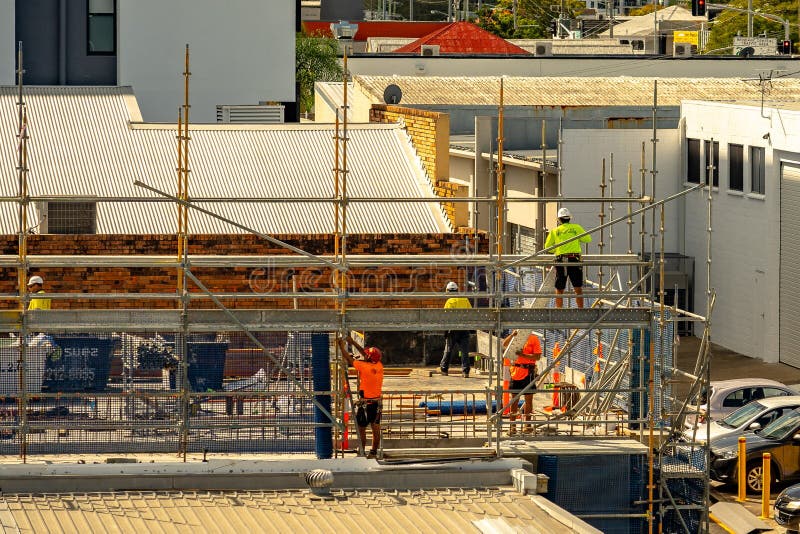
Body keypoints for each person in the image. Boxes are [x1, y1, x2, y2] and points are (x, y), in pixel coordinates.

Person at [337, 334, 384, 459]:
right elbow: (365, 354)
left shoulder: (364, 367)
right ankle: (373, 453)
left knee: (361, 429)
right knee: (375, 429)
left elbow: (349, 359)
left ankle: (362, 453)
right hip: (377, 404)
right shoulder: (379, 365)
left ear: (368, 358)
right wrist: (352, 341)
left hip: (365, 405)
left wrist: (342, 347)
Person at [544, 207, 592, 308]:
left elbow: (547, 247)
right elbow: (588, 239)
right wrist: (576, 239)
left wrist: (557, 250)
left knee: (559, 289)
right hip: (575, 260)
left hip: (561, 260)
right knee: (578, 288)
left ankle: (559, 312)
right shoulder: (577, 228)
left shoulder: (555, 231)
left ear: (559, 220)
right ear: (569, 218)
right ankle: (580, 311)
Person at [502, 331, 542, 436]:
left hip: (528, 372)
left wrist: (523, 355)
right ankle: (513, 427)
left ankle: (527, 426)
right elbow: (504, 344)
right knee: (514, 400)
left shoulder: (533, 338)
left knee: (528, 399)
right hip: (516, 371)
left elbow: (537, 356)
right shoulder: (516, 337)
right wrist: (512, 335)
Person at [439, 281, 472, 378]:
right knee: (465, 351)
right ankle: (465, 371)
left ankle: (444, 369)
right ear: (457, 290)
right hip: (464, 329)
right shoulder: (464, 299)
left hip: (452, 330)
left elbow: (446, 317)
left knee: (448, 350)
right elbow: (471, 313)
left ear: (448, 291)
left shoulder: (449, 301)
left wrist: (445, 331)